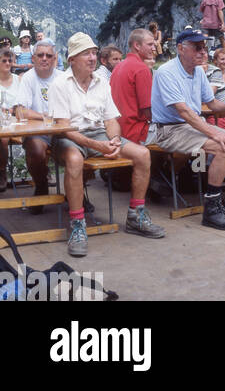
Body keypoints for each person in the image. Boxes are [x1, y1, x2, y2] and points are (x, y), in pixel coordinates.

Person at [50, 33, 163, 256]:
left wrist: (113, 140)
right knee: (74, 160)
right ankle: (77, 224)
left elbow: (111, 119)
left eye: (93, 53)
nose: (92, 58)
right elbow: (63, 127)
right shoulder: (60, 83)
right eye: (85, 54)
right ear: (72, 59)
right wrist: (98, 145)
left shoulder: (102, 82)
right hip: (69, 136)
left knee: (142, 154)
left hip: (99, 134)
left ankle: (136, 215)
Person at [150, 29, 225, 229]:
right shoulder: (166, 72)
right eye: (197, 47)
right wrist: (216, 133)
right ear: (180, 49)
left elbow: (211, 104)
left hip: (190, 126)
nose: (203, 52)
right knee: (222, 146)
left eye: (204, 47)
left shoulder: (199, 71)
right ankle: (211, 208)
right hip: (170, 130)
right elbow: (184, 112)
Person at [13, 38, 65, 213]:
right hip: (38, 132)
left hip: (62, 130)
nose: (44, 58)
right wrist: (43, 116)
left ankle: (79, 194)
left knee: (81, 147)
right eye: (40, 55)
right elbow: (21, 110)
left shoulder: (63, 78)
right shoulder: (28, 78)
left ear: (55, 59)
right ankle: (41, 186)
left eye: (48, 55)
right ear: (33, 58)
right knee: (35, 149)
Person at [110, 29, 158, 145]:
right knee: (184, 131)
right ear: (137, 45)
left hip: (118, 130)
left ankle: (159, 163)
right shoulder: (141, 69)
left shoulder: (119, 66)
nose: (154, 48)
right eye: (150, 44)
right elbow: (148, 111)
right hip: (137, 132)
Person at [0, 47, 20, 192]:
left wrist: (13, 109)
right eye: (4, 60)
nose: (8, 63)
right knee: (3, 137)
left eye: (10, 60)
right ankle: (2, 171)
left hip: (16, 117)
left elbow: (23, 101)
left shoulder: (19, 80)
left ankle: (42, 171)